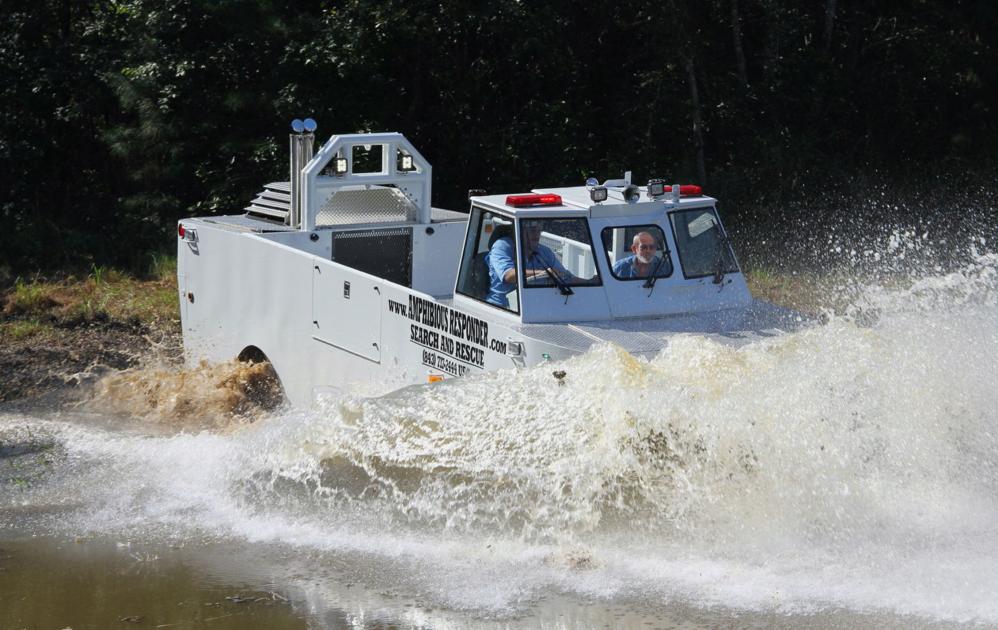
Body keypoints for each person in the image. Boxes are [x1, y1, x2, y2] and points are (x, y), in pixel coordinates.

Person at [486, 222, 573, 307]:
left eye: (539, 229)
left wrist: (586, 283)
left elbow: (566, 276)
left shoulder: (544, 252)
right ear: (519, 230)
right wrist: (544, 273)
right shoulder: (502, 246)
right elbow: (508, 275)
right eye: (531, 229)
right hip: (501, 307)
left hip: (535, 305)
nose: (536, 233)